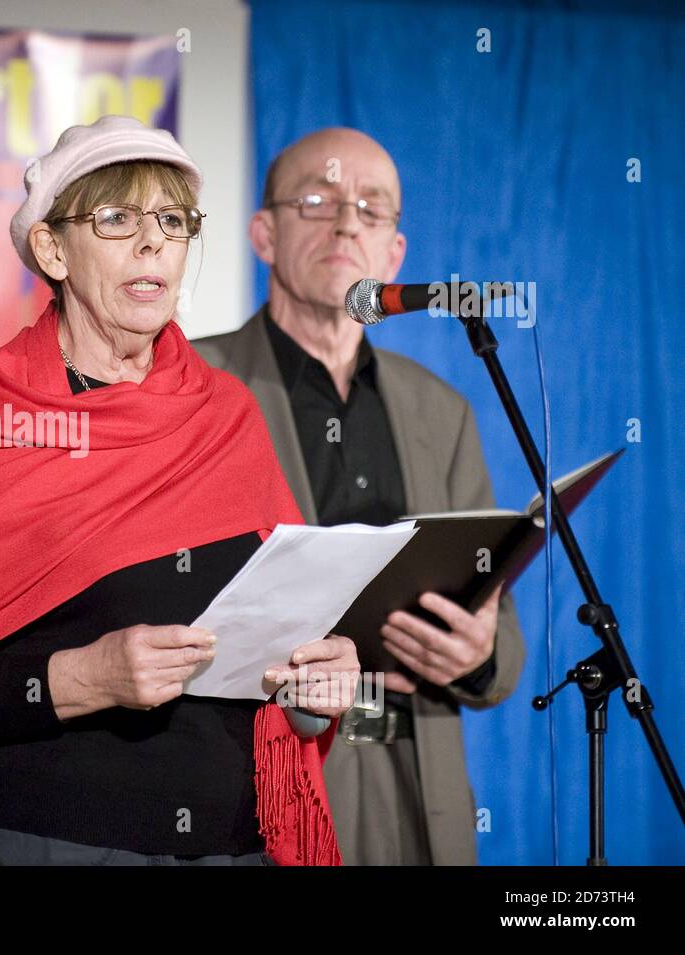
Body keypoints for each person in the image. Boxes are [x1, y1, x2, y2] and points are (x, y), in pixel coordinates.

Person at [0, 115, 359, 866]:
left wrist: (312, 687)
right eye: (116, 218)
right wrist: (86, 677)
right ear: (51, 248)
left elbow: (281, 660)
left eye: (172, 220)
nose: (153, 242)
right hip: (48, 844)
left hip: (236, 848)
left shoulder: (226, 412)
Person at [192, 127, 525, 865]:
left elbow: (501, 633)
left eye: (372, 210)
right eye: (318, 199)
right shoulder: (196, 383)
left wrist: (476, 648)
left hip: (421, 782)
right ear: (264, 234)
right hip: (268, 780)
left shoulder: (442, 409)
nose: (347, 221)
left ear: (394, 254)